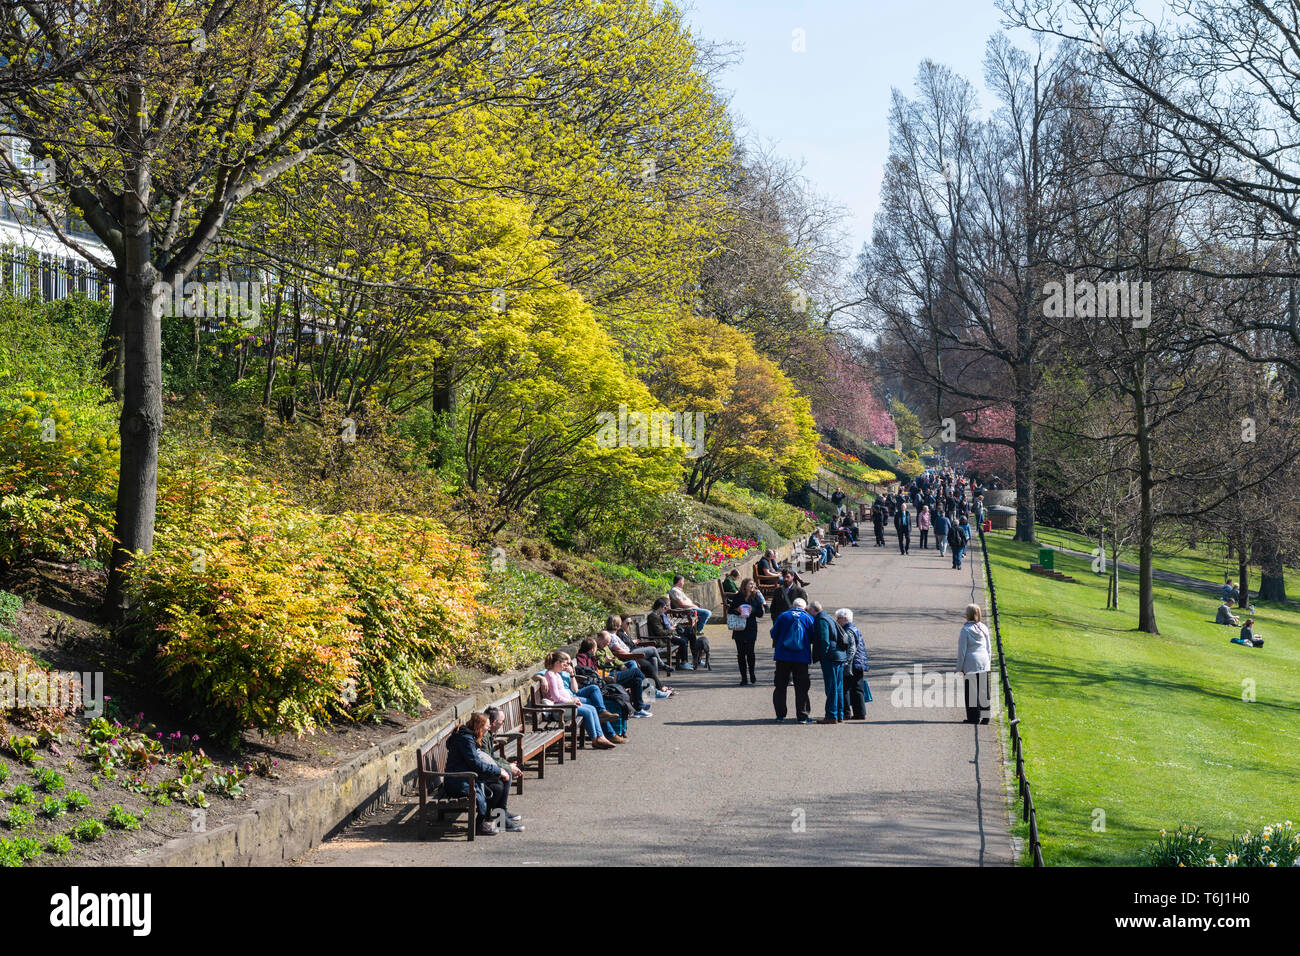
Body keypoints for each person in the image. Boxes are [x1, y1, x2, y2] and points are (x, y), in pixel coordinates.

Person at [444, 712, 522, 835]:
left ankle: (497, 820)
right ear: (479, 727)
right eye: (486, 727)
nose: (488, 729)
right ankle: (481, 823)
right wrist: (498, 770)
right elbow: (476, 764)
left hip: (465, 777)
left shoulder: (468, 737)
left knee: (499, 782)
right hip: (458, 782)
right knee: (497, 787)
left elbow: (477, 763)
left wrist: (500, 770)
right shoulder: (465, 739)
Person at [537, 652, 617, 749]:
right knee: (588, 711)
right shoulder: (550, 675)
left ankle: (600, 737)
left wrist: (572, 699)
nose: (564, 667)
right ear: (557, 663)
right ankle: (595, 739)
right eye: (563, 664)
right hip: (560, 709)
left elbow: (568, 692)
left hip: (565, 705)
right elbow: (556, 697)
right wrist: (571, 701)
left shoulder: (556, 675)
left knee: (592, 708)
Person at [771, 597, 814, 723]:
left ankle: (780, 715)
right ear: (804, 607)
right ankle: (803, 715)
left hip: (782, 656)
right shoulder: (808, 618)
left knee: (780, 687)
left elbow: (774, 634)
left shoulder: (783, 616)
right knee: (802, 687)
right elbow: (813, 636)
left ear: (793, 606)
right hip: (801, 657)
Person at [594, 631, 652, 716]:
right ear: (599, 639)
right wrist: (605, 661)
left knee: (637, 679)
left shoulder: (605, 647)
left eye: (608, 643)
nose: (606, 645)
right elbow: (596, 664)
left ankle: (638, 709)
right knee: (635, 671)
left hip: (615, 670)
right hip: (607, 675)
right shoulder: (594, 649)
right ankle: (649, 687)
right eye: (605, 643)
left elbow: (614, 658)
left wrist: (621, 665)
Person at [810, 600, 846, 724]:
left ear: (814, 610)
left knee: (831, 687)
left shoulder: (821, 620)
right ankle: (840, 714)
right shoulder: (828, 617)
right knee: (838, 687)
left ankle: (831, 715)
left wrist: (823, 655)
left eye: (809, 610)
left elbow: (824, 641)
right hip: (840, 656)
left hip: (831, 657)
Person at [956, 604, 992, 724]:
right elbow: (988, 647)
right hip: (984, 661)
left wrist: (959, 667)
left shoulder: (965, 630)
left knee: (971, 691)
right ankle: (986, 716)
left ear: (968, 615)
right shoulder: (984, 628)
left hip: (971, 662)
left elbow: (962, 651)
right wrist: (988, 662)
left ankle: (974, 717)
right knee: (984, 690)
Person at [728, 577, 766, 685]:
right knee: (740, 654)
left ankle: (752, 674)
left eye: (753, 584)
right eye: (750, 584)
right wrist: (737, 610)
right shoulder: (737, 597)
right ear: (744, 586)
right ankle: (743, 678)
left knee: (750, 652)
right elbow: (730, 610)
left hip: (751, 627)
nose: (752, 586)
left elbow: (760, 613)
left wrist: (752, 610)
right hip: (739, 627)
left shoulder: (756, 597)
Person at [838, 609, 871, 719]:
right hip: (859, 662)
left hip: (852, 663)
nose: (836, 620)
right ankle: (860, 712)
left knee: (845, 687)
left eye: (839, 618)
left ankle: (846, 712)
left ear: (845, 619)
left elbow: (851, 649)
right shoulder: (854, 628)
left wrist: (846, 662)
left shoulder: (848, 631)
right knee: (857, 688)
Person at [646, 597, 693, 671]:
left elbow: (662, 630)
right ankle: (683, 663)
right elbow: (660, 633)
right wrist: (670, 630)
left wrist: (671, 632)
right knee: (683, 641)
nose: (665, 609)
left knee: (684, 639)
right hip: (660, 641)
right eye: (664, 607)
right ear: (660, 607)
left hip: (665, 637)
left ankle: (684, 662)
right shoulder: (653, 617)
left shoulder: (657, 615)